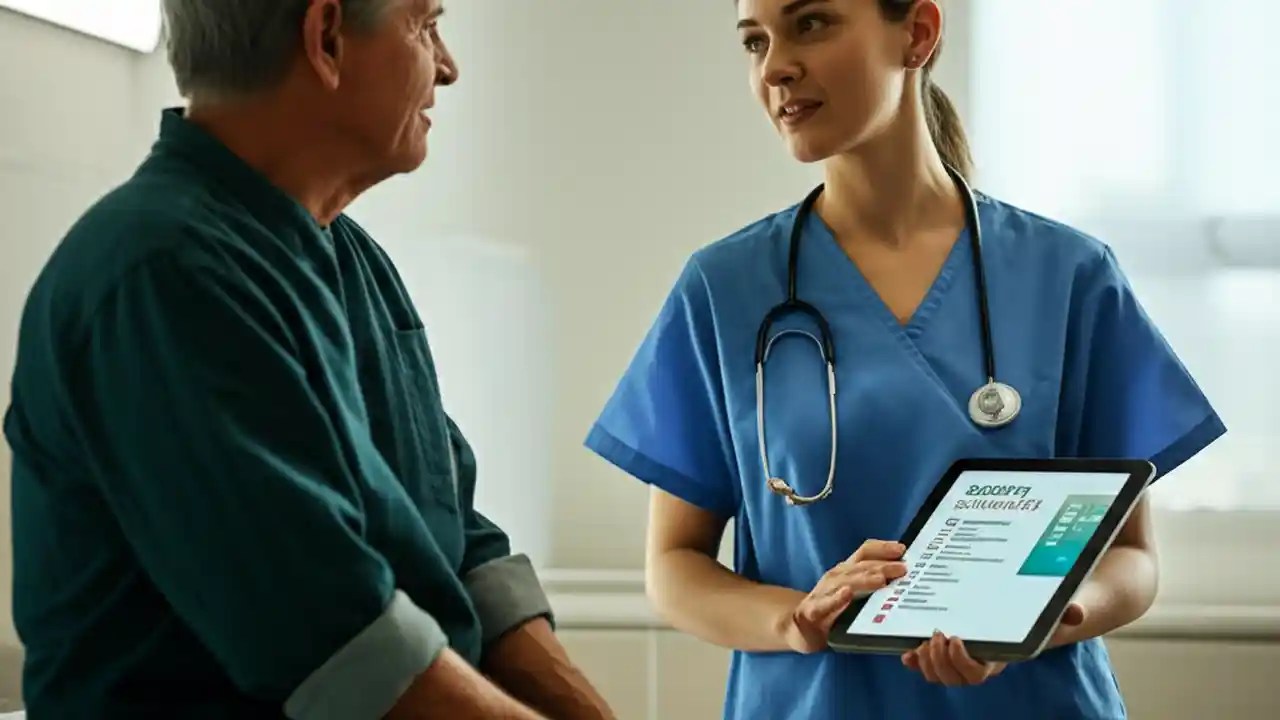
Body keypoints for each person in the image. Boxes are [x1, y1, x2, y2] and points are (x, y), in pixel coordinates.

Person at [583, 1, 1225, 718]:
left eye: (812, 24)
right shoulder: (725, 289)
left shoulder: (1068, 275)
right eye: (755, 41)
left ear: (917, 33)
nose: (775, 66)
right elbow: (675, 566)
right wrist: (793, 620)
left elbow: (1132, 559)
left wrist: (1044, 620)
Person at [3, 1, 615, 718]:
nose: (448, 67)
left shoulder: (352, 261)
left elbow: (460, 548)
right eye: (424, 27)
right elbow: (345, 653)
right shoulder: (162, 274)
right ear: (326, 38)